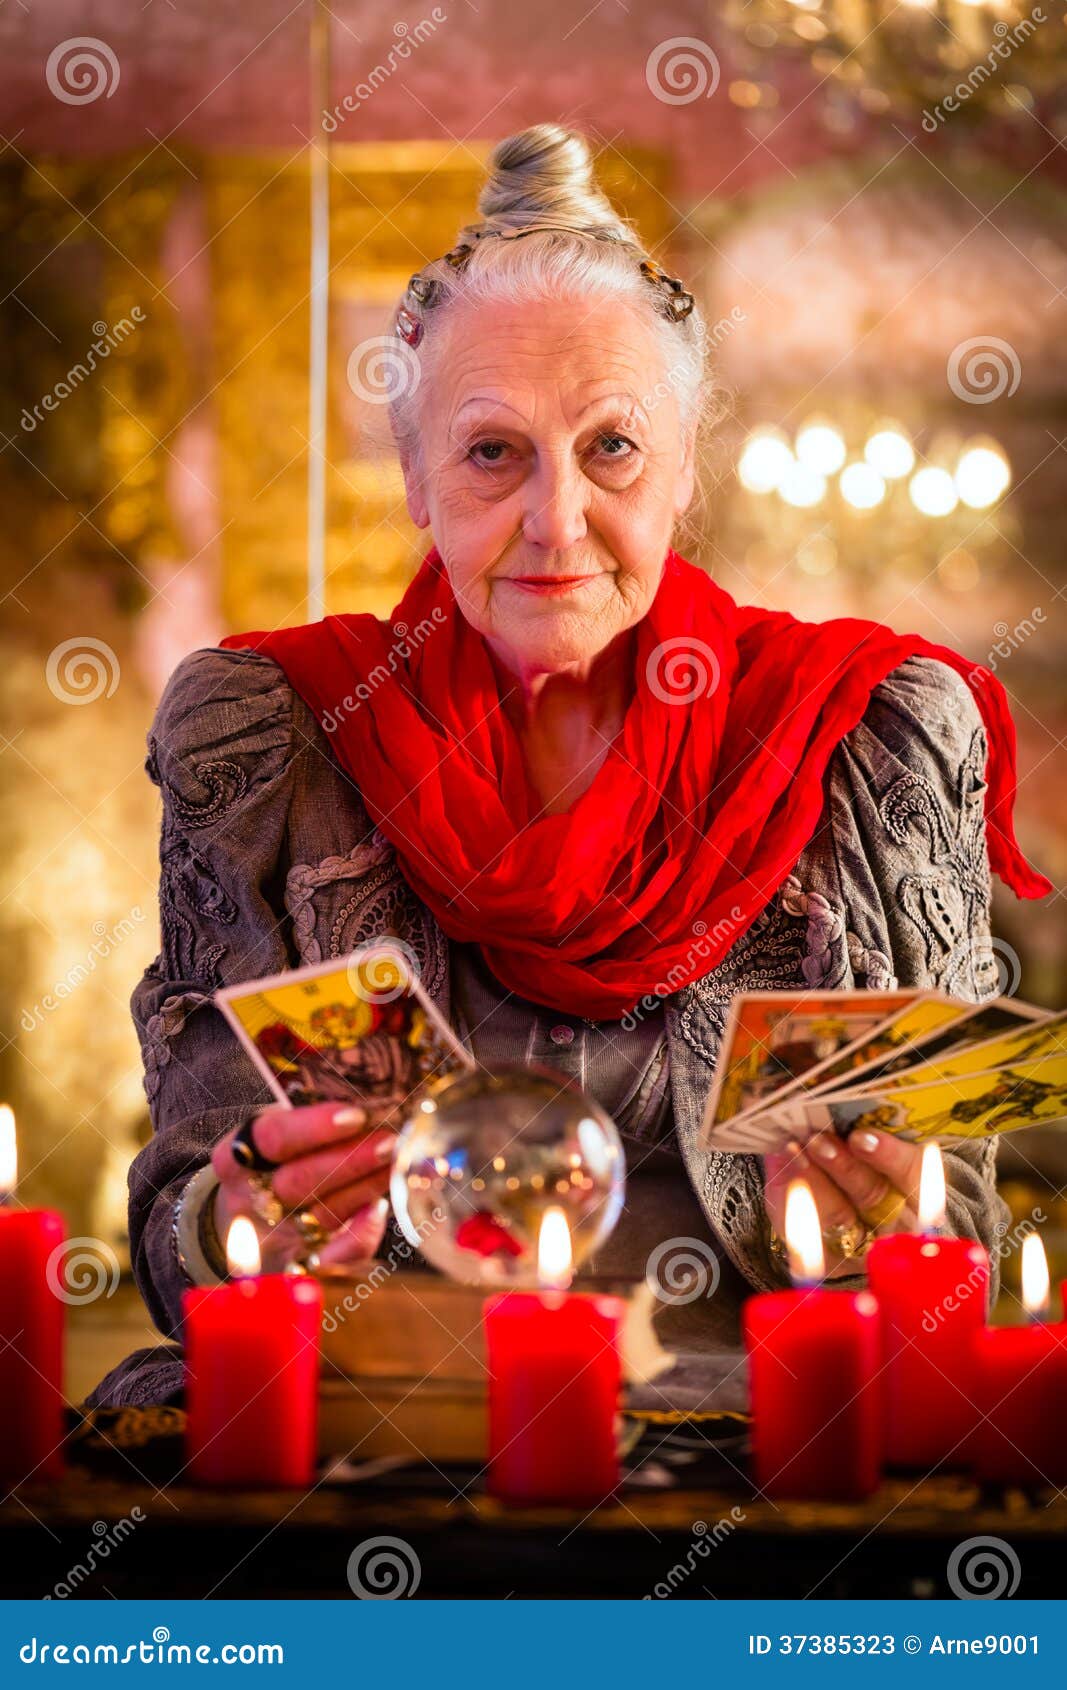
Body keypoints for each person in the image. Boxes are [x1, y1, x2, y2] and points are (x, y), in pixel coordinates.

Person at [89, 125, 1048, 1408]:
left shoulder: (868, 733)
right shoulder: (269, 739)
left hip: (762, 1454)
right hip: (393, 1440)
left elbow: (964, 1268)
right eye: (492, 453)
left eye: (610, 448)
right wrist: (244, 1220)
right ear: (417, 478)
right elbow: (179, 1237)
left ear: (683, 469)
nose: (555, 521)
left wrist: (889, 1231)